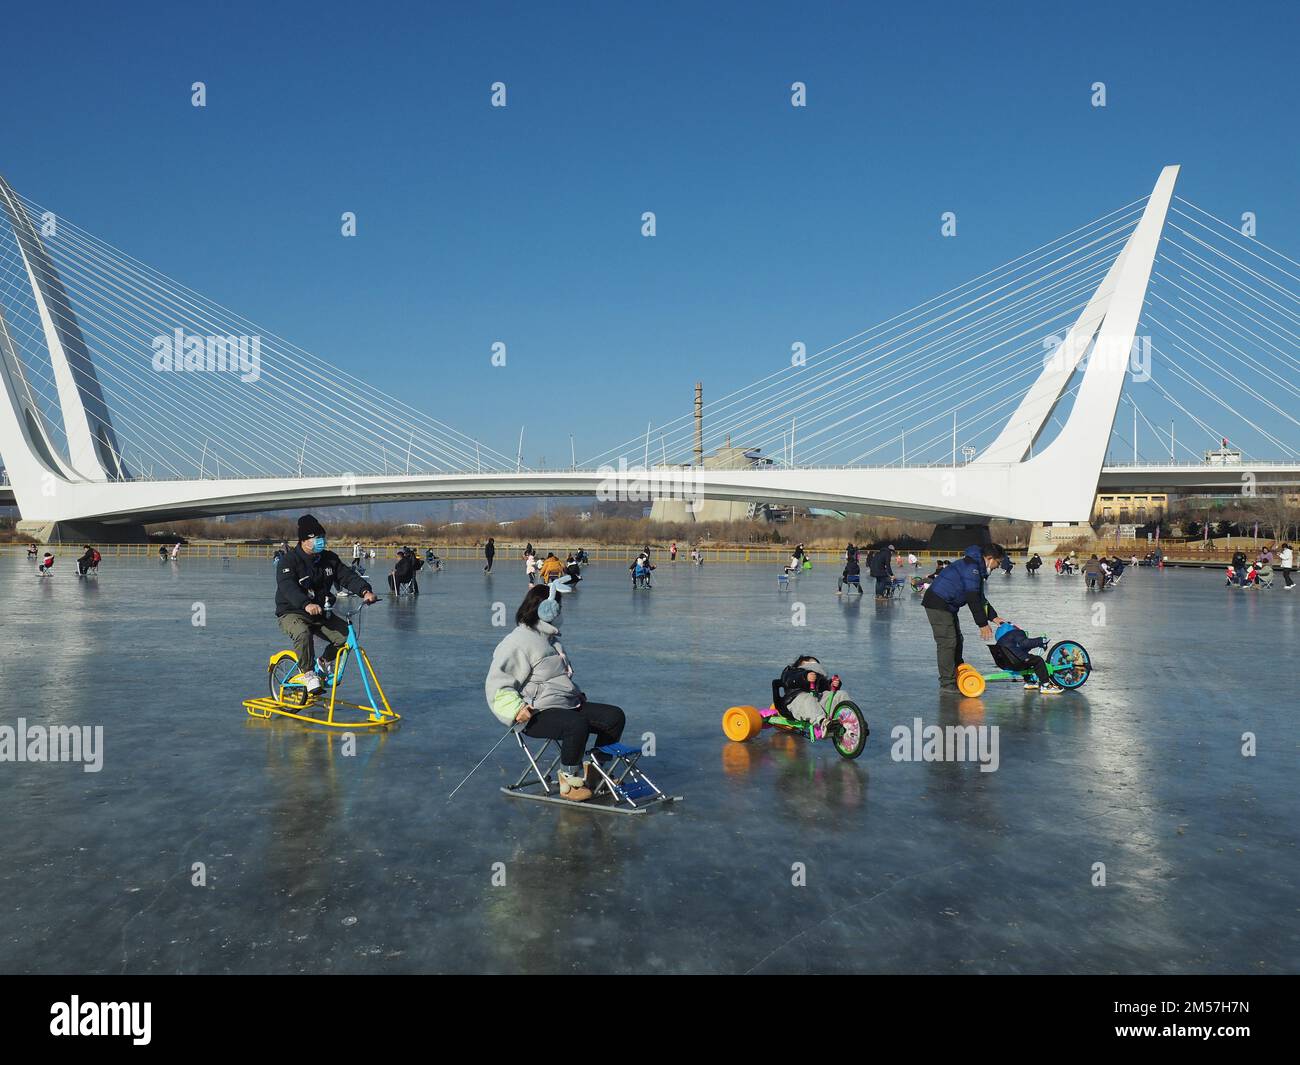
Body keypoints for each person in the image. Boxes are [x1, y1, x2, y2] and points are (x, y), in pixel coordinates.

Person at [485, 580, 626, 803]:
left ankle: (596, 772)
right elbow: (497, 684)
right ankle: (569, 782)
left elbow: (555, 679)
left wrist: (575, 693)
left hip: (566, 706)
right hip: (535, 714)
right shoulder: (517, 642)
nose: (561, 613)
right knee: (575, 724)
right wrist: (515, 709)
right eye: (559, 607)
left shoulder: (552, 641)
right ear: (546, 609)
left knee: (614, 717)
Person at [276, 514, 377, 694]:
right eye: (317, 538)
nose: (321, 541)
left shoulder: (328, 559)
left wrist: (364, 591)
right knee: (303, 633)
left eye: (322, 538)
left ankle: (323, 662)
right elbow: (287, 587)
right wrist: (305, 603)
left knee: (345, 638)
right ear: (304, 540)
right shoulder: (289, 561)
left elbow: (346, 576)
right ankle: (307, 673)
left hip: (320, 611)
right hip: (292, 611)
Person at [921, 543, 1007, 694]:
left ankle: (958, 670)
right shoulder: (972, 569)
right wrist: (982, 624)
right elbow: (972, 598)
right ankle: (947, 683)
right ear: (989, 558)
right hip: (938, 602)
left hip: (947, 605)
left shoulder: (976, 567)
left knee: (957, 639)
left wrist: (993, 617)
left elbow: (980, 598)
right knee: (947, 642)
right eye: (998, 563)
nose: (998, 566)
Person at [772, 655, 844, 738]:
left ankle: (849, 719)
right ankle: (822, 722)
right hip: (794, 702)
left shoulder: (818, 678)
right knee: (807, 698)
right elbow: (790, 680)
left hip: (815, 703)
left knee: (840, 694)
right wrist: (804, 676)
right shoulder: (791, 672)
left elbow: (825, 688)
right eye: (810, 664)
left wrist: (832, 684)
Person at [992, 621, 1063, 694]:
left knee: (1026, 660)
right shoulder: (1015, 633)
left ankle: (1029, 681)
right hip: (1017, 661)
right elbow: (1025, 643)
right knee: (1038, 660)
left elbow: (1019, 648)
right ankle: (1046, 685)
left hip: (1005, 664)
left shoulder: (1001, 641)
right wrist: (1041, 640)